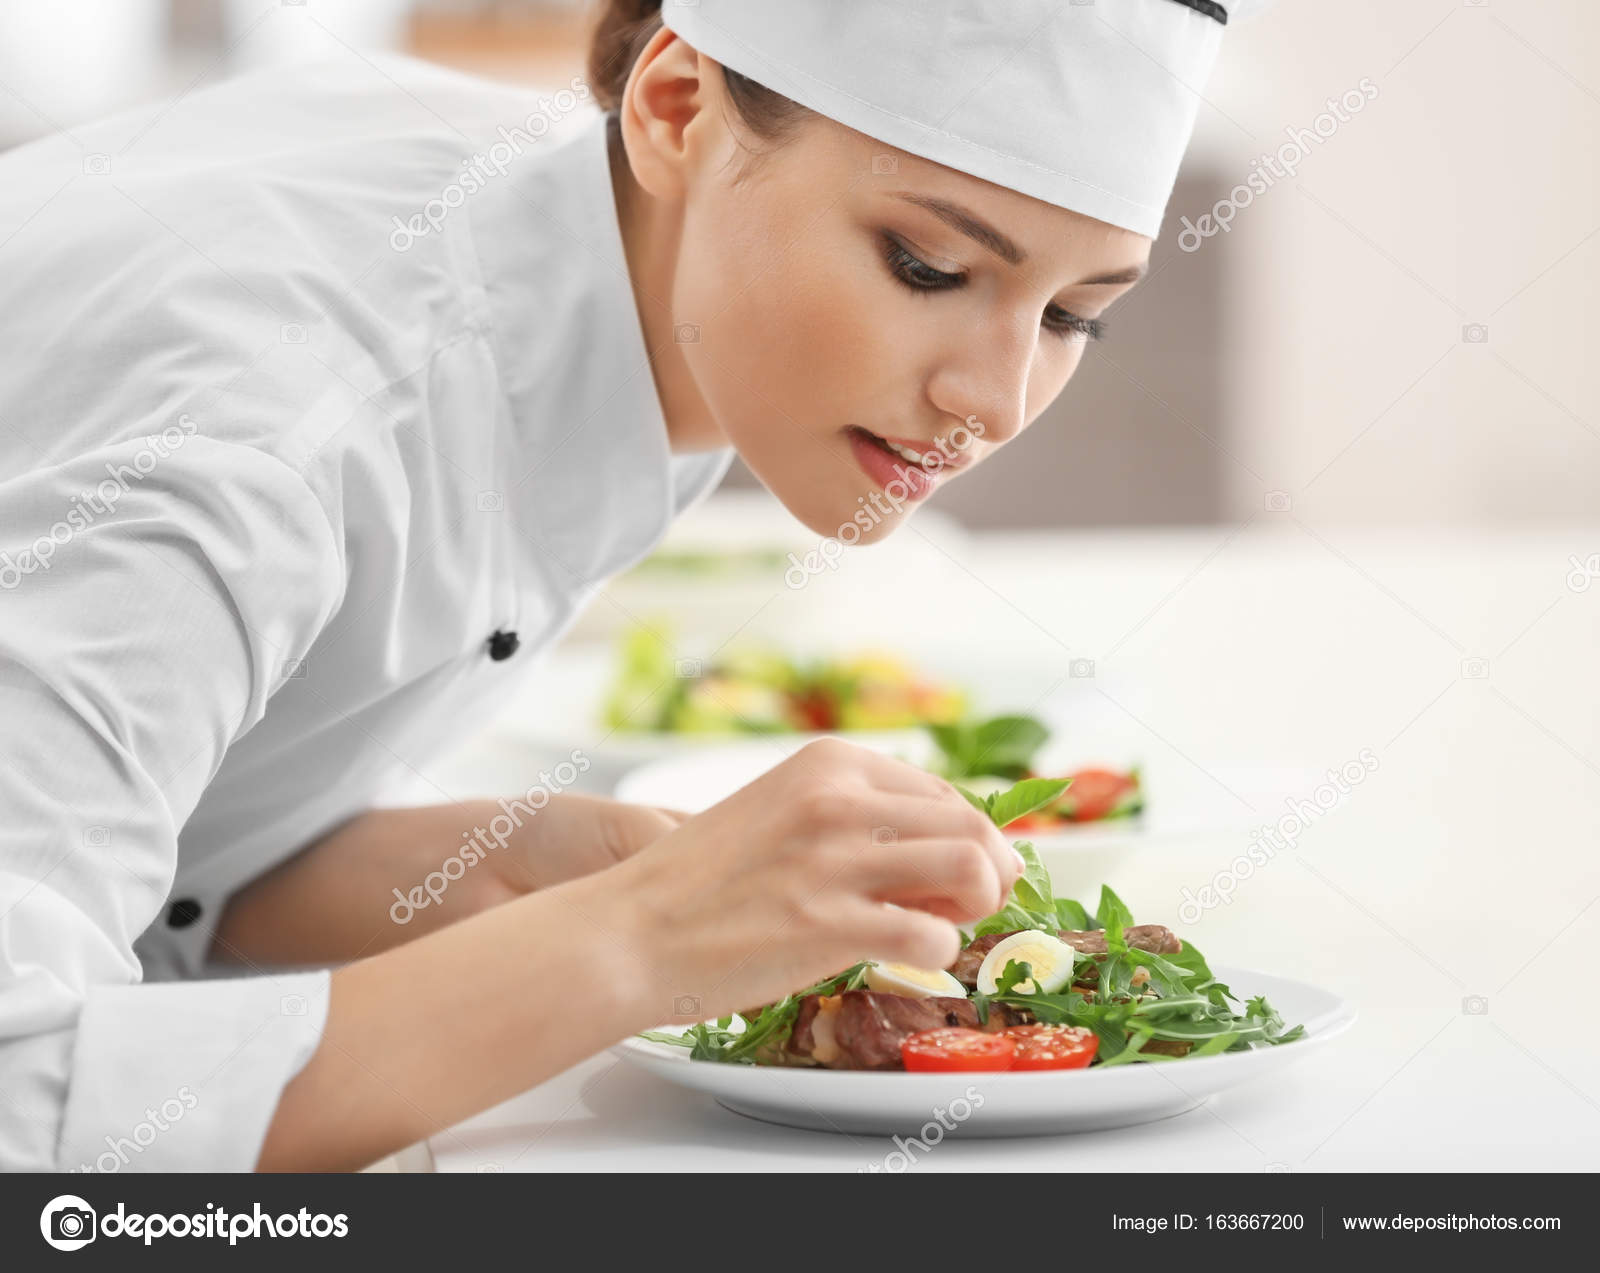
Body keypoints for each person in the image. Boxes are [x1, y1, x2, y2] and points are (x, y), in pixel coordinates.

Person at [0, 0, 1250, 1171]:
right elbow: (24, 1105)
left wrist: (514, 872)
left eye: (1075, 316)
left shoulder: (622, 251)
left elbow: (139, 857)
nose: (995, 399)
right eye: (926, 266)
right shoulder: (266, 443)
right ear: (674, 107)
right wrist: (631, 941)